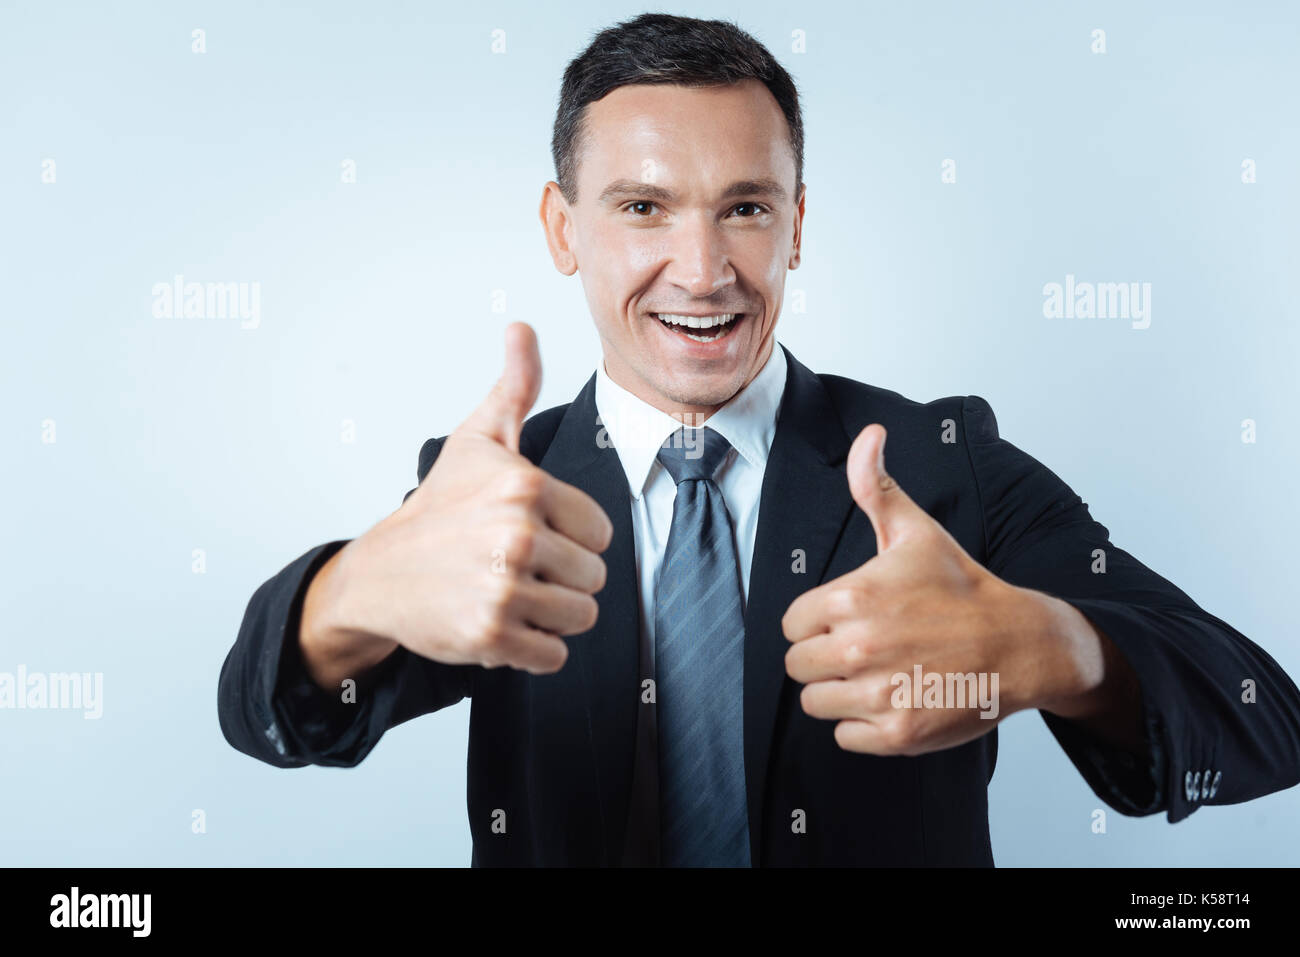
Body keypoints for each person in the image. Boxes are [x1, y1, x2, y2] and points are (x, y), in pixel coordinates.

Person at [217, 12, 1300, 866]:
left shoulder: (938, 469)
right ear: (562, 228)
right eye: (643, 208)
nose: (702, 270)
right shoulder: (499, 494)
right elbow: (269, 711)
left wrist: (1053, 650)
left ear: (796, 225)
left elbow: (1264, 719)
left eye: (744, 208)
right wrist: (349, 593)